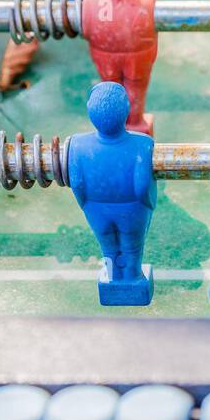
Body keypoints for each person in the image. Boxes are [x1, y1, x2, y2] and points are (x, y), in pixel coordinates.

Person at [68, 81, 158, 306]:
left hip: (97, 209)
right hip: (132, 208)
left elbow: (77, 184)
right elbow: (143, 185)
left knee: (107, 245)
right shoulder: (143, 144)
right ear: (126, 109)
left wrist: (87, 206)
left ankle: (113, 278)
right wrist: (148, 205)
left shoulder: (77, 145)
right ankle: (133, 278)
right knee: (132, 245)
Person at [82, 0, 158, 136]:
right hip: (105, 57)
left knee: (136, 93)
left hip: (138, 57)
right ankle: (113, 128)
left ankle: (135, 126)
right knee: (109, 93)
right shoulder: (90, 0)